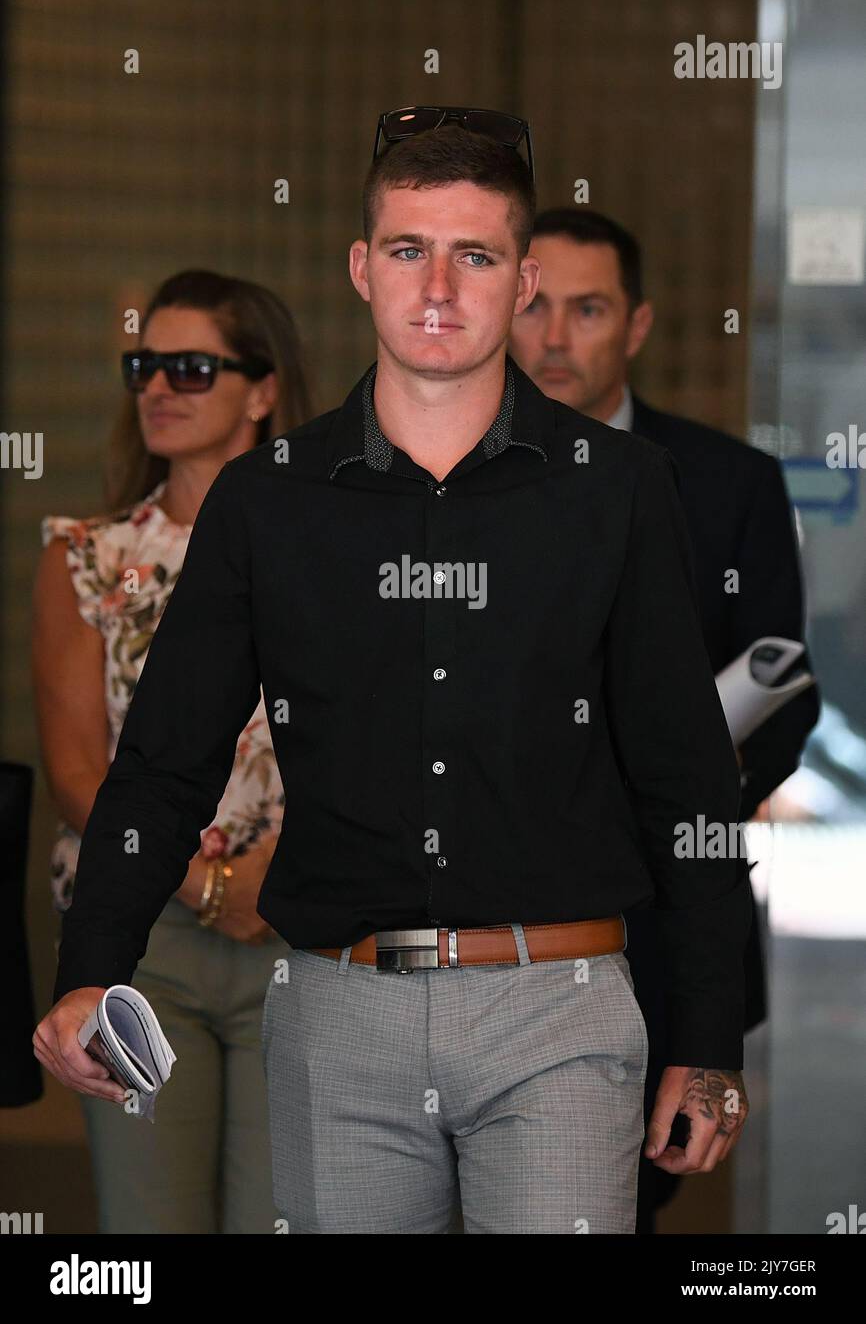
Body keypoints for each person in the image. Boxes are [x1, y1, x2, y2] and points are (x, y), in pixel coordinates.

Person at [34, 110, 752, 1235]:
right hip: (336, 1013)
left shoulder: (615, 489)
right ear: (362, 268)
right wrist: (92, 967)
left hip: (557, 1011)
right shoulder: (267, 500)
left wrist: (708, 1042)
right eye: (409, 248)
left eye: (474, 254)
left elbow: (685, 778)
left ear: (518, 281)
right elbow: (167, 756)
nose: (437, 285)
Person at [509, 207, 820, 1231]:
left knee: (612, 1207)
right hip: (471, 919)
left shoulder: (727, 482)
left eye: (585, 308)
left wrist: (680, 783)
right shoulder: (443, 478)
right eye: (535, 305)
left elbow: (784, 690)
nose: (555, 336)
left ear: (635, 327)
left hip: (659, 915)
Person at [31, 269, 313, 1233]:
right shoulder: (86, 552)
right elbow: (77, 771)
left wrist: (272, 880)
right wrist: (211, 890)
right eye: (144, 365)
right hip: (142, 939)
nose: (158, 386)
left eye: (192, 368)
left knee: (278, 1221)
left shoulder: (329, 549)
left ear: (263, 389)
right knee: (150, 1236)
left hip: (302, 935)